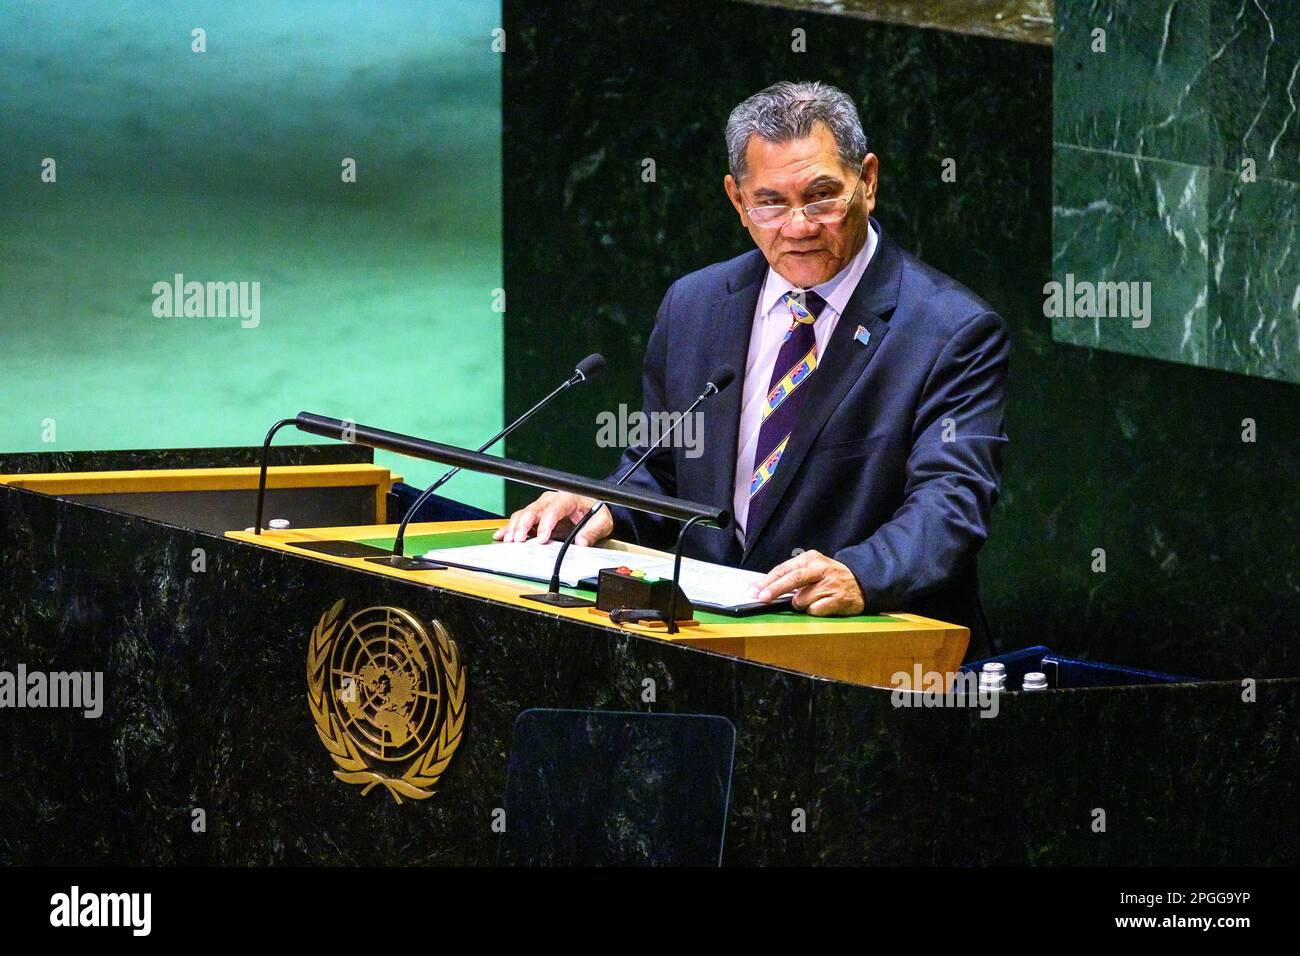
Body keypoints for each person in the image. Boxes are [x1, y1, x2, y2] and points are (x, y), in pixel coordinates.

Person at [496, 80, 1009, 656]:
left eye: (821, 197)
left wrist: (859, 573)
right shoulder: (694, 305)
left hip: (873, 659)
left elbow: (951, 502)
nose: (798, 226)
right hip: (707, 644)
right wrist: (603, 504)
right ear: (738, 201)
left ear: (867, 181)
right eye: (770, 202)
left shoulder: (950, 330)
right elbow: (661, 473)